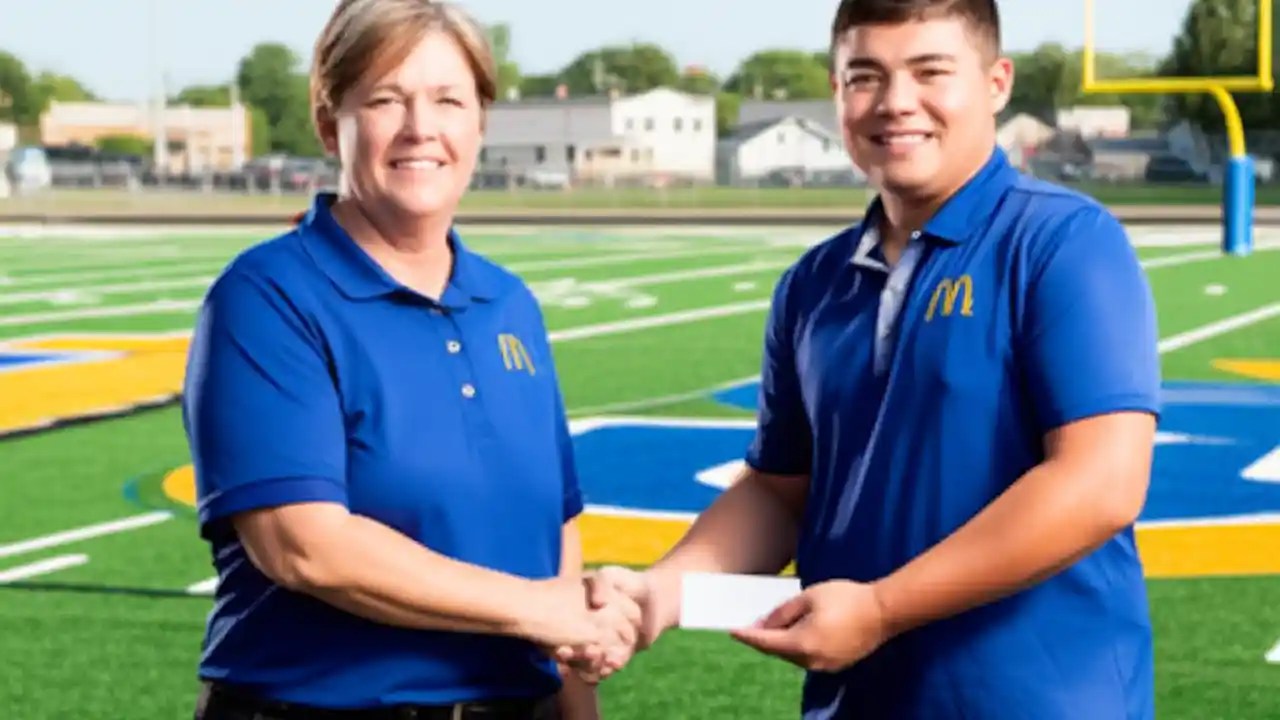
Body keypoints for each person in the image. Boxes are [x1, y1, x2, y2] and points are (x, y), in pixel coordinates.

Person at [581, 0, 1162, 718]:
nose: (895, 103)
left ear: (996, 83)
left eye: (930, 72)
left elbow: (1101, 481)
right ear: (836, 93)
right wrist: (660, 593)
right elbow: (777, 492)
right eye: (865, 76)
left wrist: (884, 608)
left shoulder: (1064, 242)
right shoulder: (812, 284)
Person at [181, 1, 638, 718]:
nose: (421, 129)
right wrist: (538, 610)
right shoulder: (266, 296)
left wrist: (577, 695)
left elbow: (557, 533)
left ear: (480, 124)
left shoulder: (508, 303)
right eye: (386, 99)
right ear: (333, 125)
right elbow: (306, 547)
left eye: (448, 100)